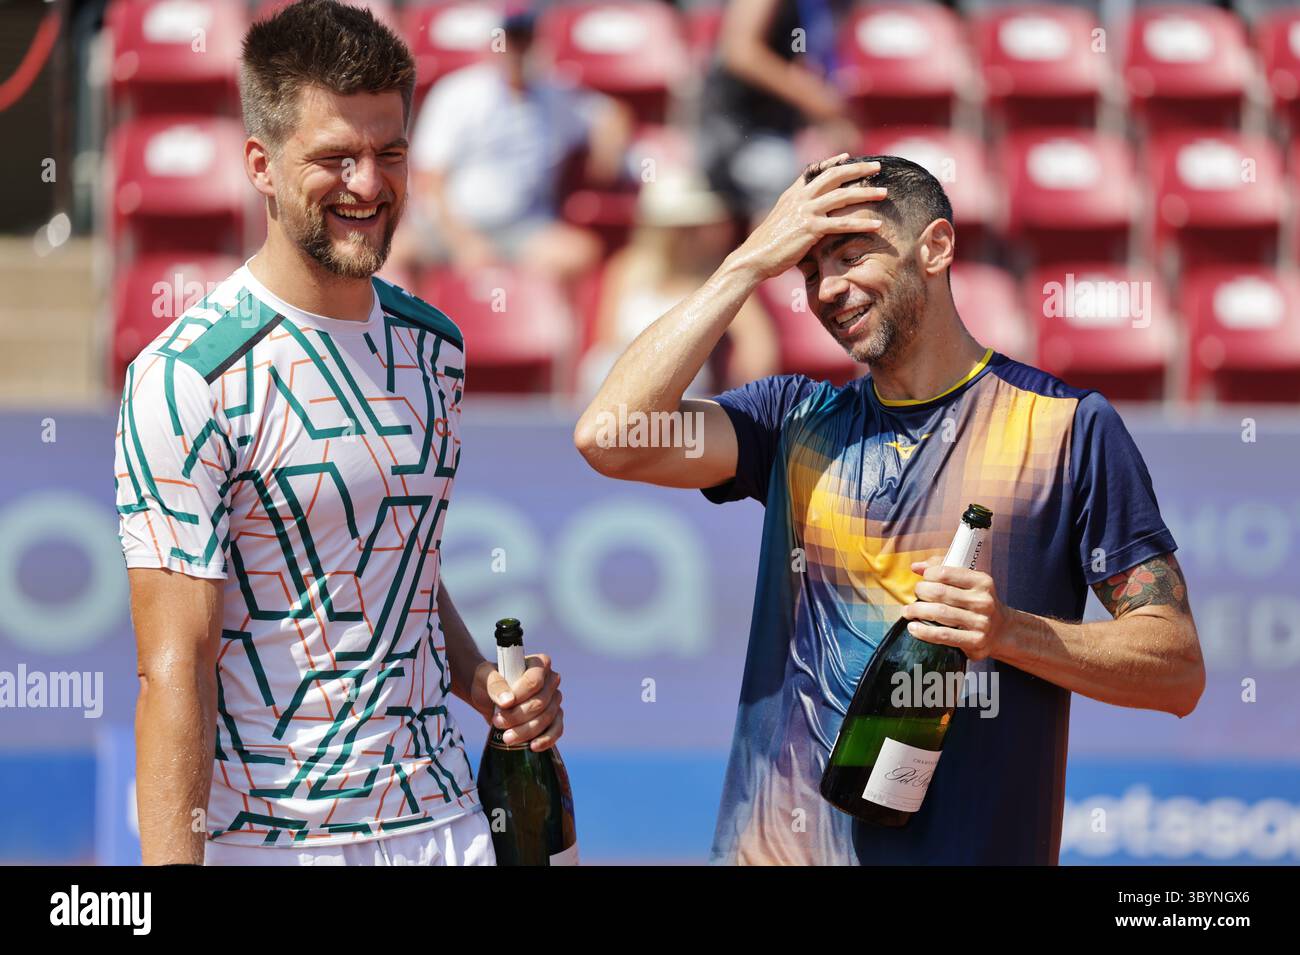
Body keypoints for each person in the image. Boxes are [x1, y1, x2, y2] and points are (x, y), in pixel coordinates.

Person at [573, 154, 1205, 865]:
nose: (827, 289)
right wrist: (747, 264)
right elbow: (609, 437)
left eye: (850, 255)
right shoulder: (792, 420)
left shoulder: (1068, 427)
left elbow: (1177, 669)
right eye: (808, 270)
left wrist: (1006, 631)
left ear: (935, 247)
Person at [114, 0, 563, 866]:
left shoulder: (436, 346)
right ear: (262, 166)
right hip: (275, 842)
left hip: (452, 825)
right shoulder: (186, 378)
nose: (368, 183)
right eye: (335, 157)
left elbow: (398, 569)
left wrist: (484, 684)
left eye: (389, 153)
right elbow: (175, 669)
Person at [391, 9, 632, 286]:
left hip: (522, 230)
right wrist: (463, 243)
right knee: (395, 255)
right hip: (448, 229)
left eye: (526, 39)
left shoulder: (557, 94)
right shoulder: (458, 92)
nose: (518, 49)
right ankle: (403, 329)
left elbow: (611, 116)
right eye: (511, 39)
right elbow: (428, 181)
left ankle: (544, 326)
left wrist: (605, 157)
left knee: (574, 254)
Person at [577, 170, 779, 398]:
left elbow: (758, 346)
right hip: (618, 393)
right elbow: (606, 342)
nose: (691, 236)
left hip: (686, 402)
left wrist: (743, 406)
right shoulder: (625, 269)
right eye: (683, 228)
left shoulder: (720, 275)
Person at [699, 0, 857, 223]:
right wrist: (816, 100)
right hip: (738, 132)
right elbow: (740, 51)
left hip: (789, 130)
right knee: (779, 181)